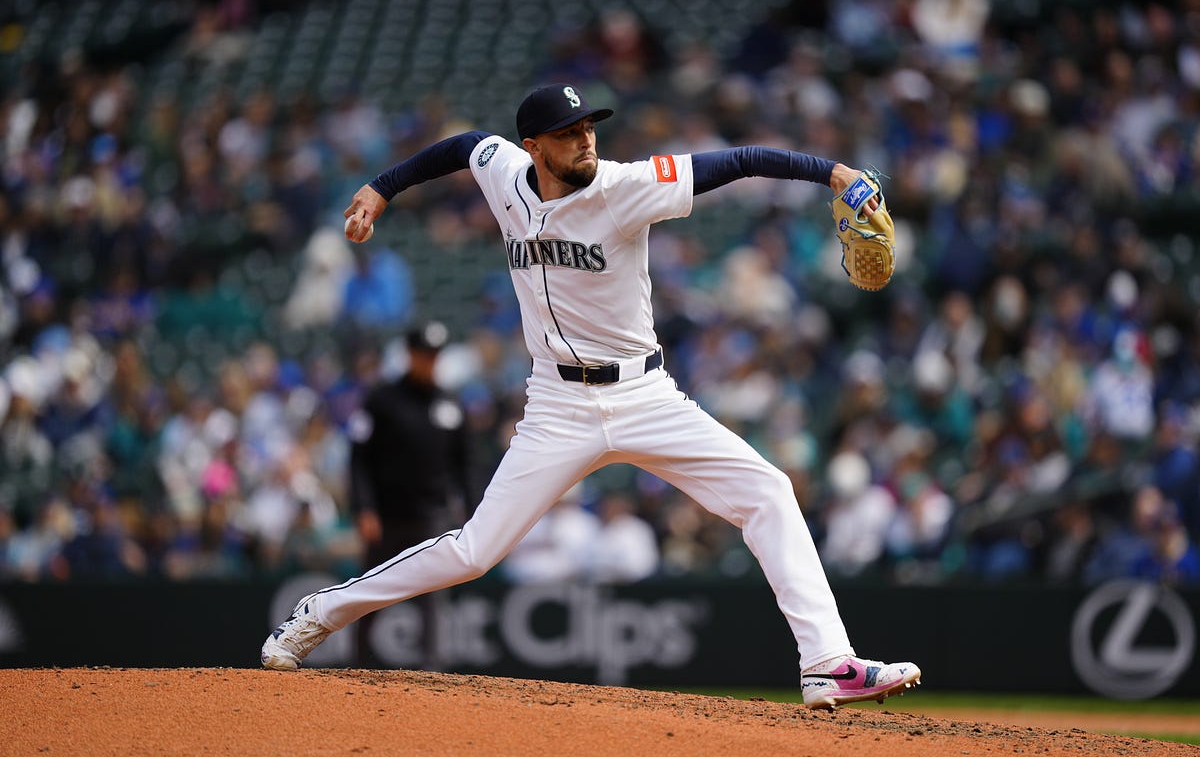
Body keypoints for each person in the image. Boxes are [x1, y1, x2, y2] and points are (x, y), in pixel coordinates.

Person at [261, 82, 921, 709]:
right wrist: (382, 187)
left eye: (587, 128)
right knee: (473, 552)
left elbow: (742, 160)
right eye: (567, 133)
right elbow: (462, 144)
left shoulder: (628, 186)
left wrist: (833, 173)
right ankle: (319, 614)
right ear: (533, 148)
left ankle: (826, 663)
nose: (584, 141)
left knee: (769, 491)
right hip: (557, 406)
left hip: (645, 396)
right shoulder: (500, 171)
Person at [346, 320, 475, 667]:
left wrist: (473, 513)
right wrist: (364, 508)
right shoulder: (381, 400)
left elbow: (464, 465)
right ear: (409, 354)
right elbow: (358, 460)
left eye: (435, 355)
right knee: (369, 591)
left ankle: (432, 674)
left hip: (431, 516)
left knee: (432, 597)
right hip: (386, 517)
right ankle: (355, 665)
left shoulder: (450, 404)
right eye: (423, 354)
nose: (429, 361)